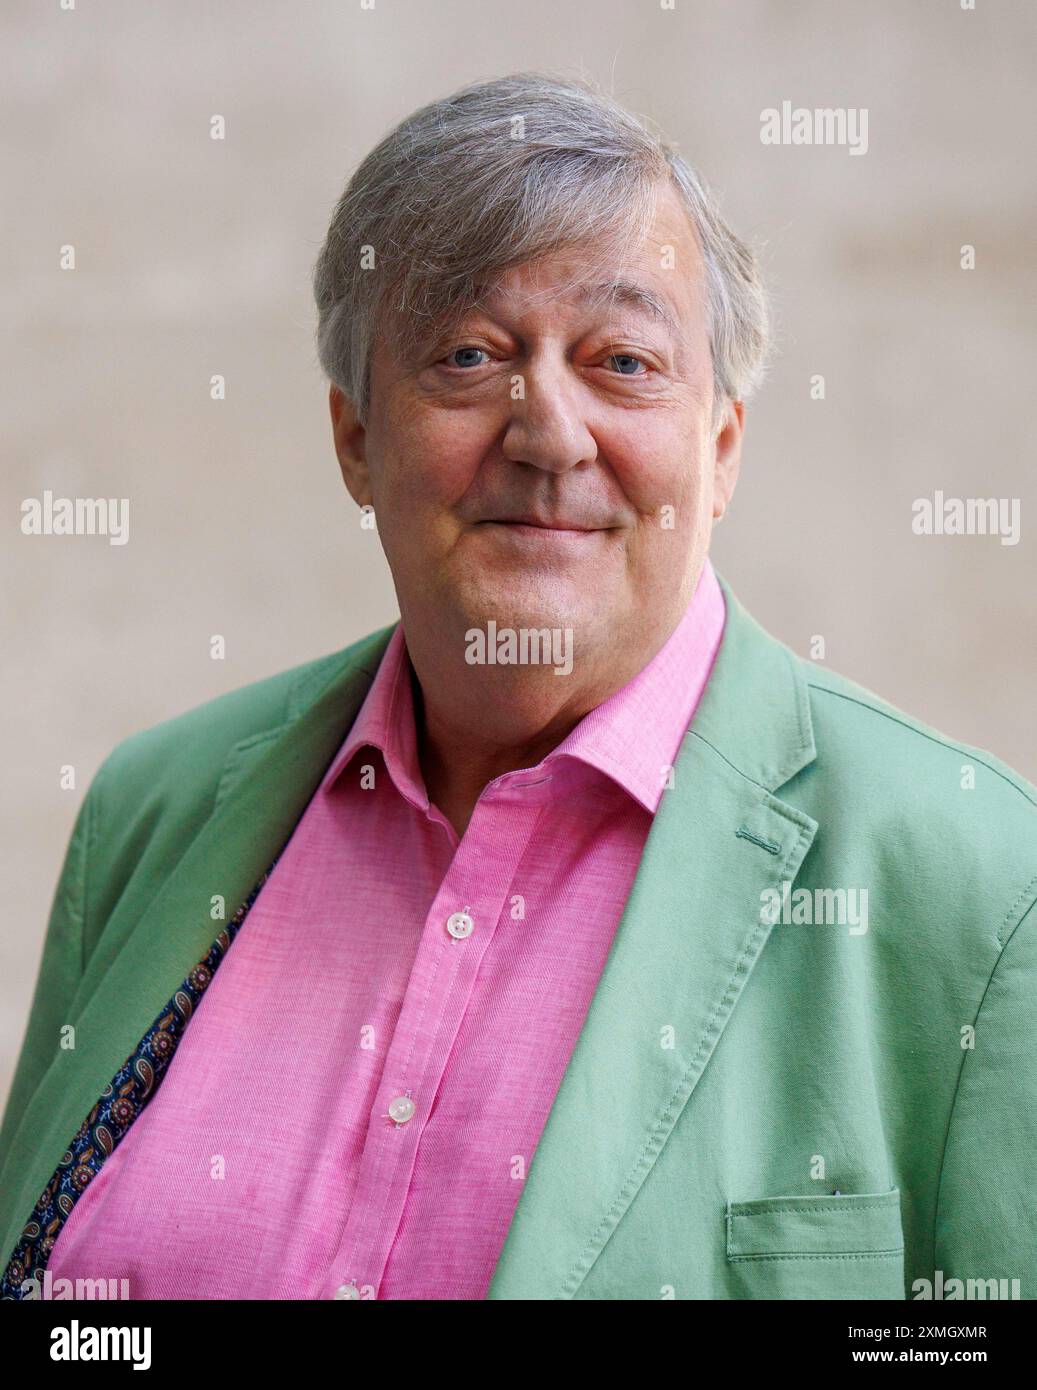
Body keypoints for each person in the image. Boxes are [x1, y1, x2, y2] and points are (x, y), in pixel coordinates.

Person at [2, 71, 1034, 1302]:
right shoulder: (152, 812)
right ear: (354, 440)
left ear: (719, 447)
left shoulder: (979, 887)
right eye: (467, 353)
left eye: (623, 360)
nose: (547, 433)